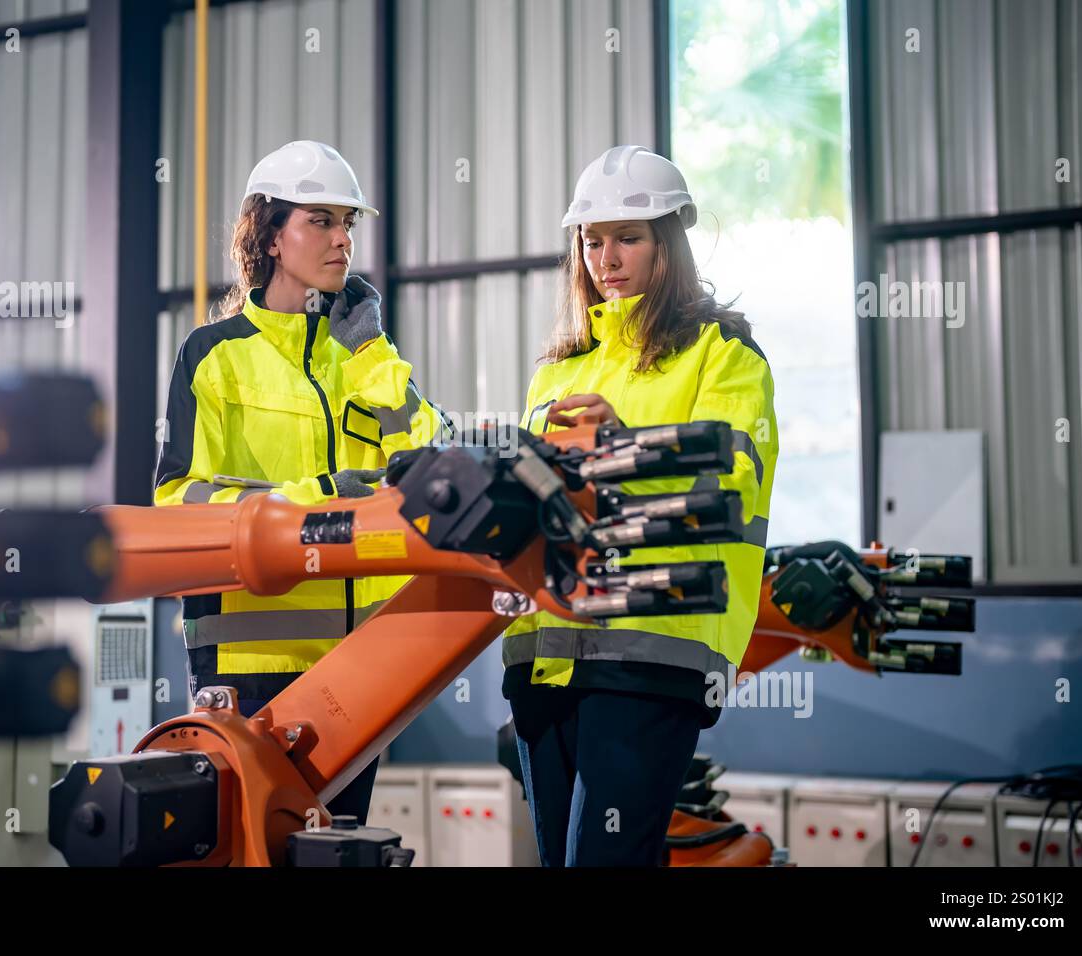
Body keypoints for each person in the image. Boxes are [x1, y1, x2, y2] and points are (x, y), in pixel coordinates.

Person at [153, 140, 450, 824]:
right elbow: (180, 507)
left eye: (348, 223)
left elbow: (435, 466)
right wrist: (323, 496)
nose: (342, 240)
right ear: (270, 235)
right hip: (250, 665)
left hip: (365, 671)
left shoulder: (363, 359)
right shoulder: (214, 357)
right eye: (320, 220)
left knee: (338, 852)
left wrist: (374, 354)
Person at [503, 145, 778, 866]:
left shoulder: (723, 356)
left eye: (628, 237)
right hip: (543, 660)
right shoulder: (556, 373)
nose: (606, 257)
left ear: (668, 244)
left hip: (650, 655)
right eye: (592, 241)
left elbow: (730, 480)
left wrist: (625, 446)